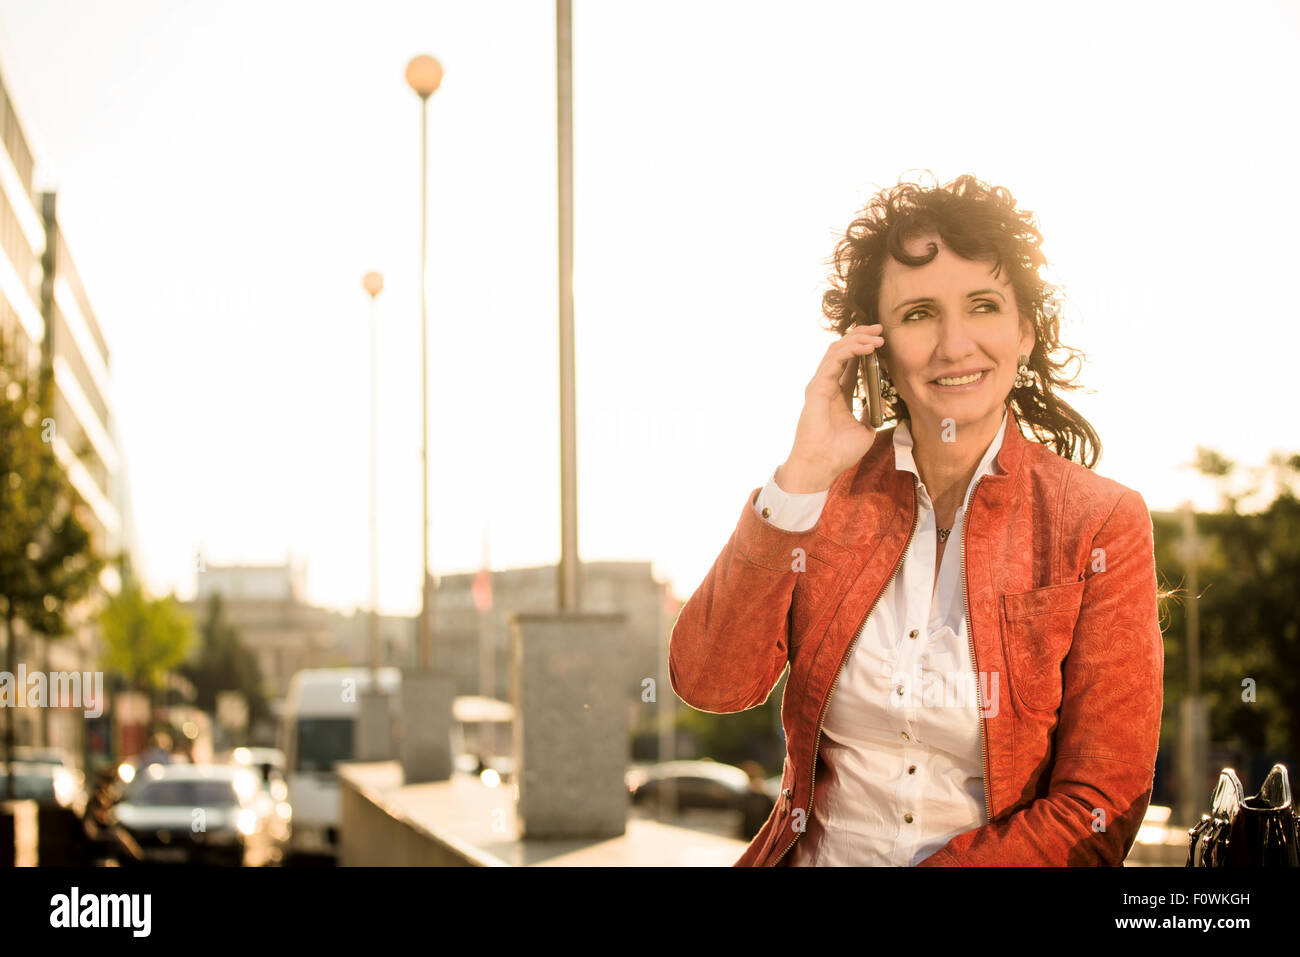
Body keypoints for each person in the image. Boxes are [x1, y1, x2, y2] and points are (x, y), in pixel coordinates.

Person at [669, 172, 1166, 866]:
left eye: (984, 305)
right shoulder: (825, 494)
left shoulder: (1100, 521)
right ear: (876, 348)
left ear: (1025, 331)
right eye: (919, 313)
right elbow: (710, 681)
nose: (955, 345)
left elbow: (1100, 800)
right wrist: (801, 477)